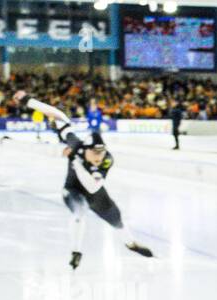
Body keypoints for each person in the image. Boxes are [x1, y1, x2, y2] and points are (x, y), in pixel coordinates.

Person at [11, 91, 153, 269]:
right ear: (85, 149)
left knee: (117, 219)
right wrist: (27, 100)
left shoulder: (106, 159)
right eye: (94, 152)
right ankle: (76, 252)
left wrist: (76, 161)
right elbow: (59, 116)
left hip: (94, 191)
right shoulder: (76, 144)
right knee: (79, 213)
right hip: (73, 190)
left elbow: (93, 187)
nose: (98, 157)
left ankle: (131, 244)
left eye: (101, 153)